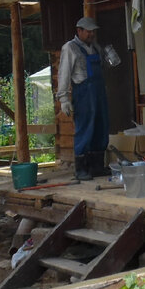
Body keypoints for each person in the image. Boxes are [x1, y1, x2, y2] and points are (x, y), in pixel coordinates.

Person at [56, 16, 109, 180]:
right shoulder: (70, 48)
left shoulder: (95, 48)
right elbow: (63, 73)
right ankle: (81, 169)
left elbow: (103, 67)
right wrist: (63, 98)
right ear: (79, 31)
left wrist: (109, 57)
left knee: (101, 126)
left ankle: (97, 166)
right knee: (85, 128)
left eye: (93, 31)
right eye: (88, 31)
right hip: (83, 93)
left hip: (99, 92)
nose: (91, 34)